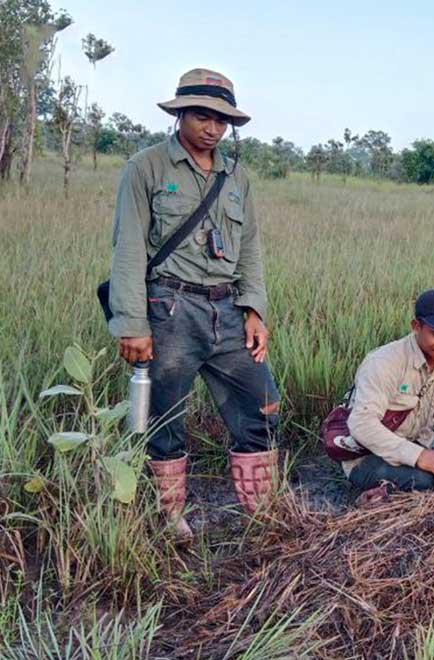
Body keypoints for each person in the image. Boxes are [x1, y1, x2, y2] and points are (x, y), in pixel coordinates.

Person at [107, 69, 278, 542]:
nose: (212, 128)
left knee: (262, 404)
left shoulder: (237, 176)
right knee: (166, 418)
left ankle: (261, 511)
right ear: (180, 113)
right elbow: (128, 249)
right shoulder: (147, 167)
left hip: (228, 310)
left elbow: (250, 249)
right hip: (170, 308)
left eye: (222, 120)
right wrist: (131, 323)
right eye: (202, 116)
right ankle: (169, 519)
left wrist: (254, 309)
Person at [344, 290, 434, 503]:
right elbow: (362, 425)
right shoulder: (384, 362)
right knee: (422, 479)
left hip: (419, 440)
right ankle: (378, 491)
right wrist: (418, 457)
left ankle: (430, 480)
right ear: (416, 326)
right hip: (369, 454)